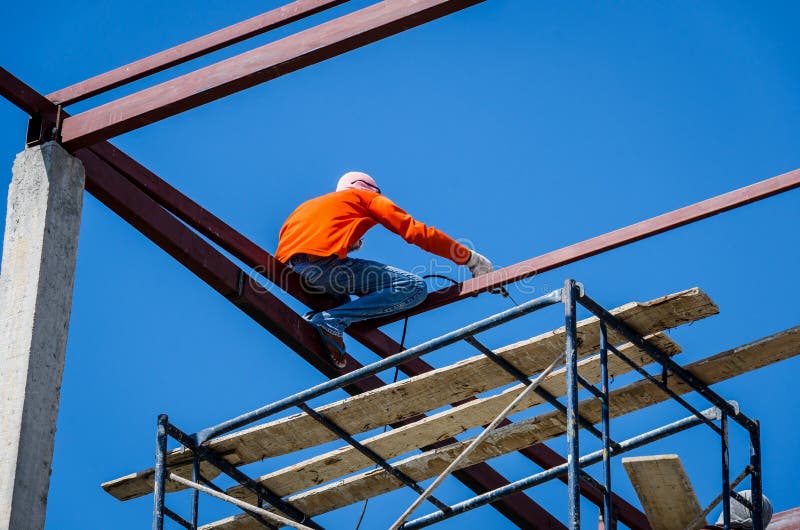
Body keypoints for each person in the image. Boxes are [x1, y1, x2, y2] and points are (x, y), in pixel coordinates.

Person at [275, 171, 492, 368]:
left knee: (342, 300)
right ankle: (332, 321)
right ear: (366, 188)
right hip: (325, 268)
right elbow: (416, 232)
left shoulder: (308, 207)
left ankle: (322, 318)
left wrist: (345, 244)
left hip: (293, 273)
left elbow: (303, 243)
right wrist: (469, 258)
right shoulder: (367, 197)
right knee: (413, 287)